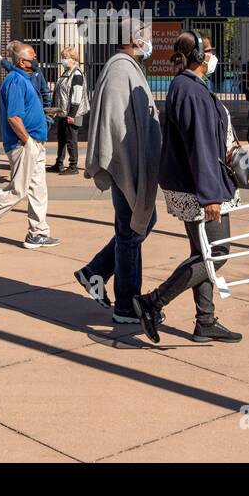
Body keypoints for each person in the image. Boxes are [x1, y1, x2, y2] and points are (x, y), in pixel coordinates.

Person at [132, 32, 243, 345]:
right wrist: (211, 195)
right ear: (196, 56)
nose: (212, 56)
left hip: (193, 186)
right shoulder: (189, 89)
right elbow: (200, 146)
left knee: (202, 254)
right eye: (208, 51)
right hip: (199, 190)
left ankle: (205, 321)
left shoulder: (187, 85)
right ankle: (152, 303)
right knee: (216, 254)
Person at [77, 18, 162, 323]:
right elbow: (113, 124)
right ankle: (126, 304)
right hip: (125, 164)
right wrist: (127, 159)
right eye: (147, 37)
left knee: (138, 225)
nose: (150, 42)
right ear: (134, 38)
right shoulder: (119, 69)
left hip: (133, 162)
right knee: (130, 233)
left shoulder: (127, 66)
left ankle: (95, 272)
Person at [0, 42, 59, 250]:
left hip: (34, 142)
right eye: (32, 57)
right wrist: (27, 141)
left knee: (38, 190)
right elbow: (14, 117)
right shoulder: (15, 81)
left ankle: (38, 233)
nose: (36, 61)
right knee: (18, 190)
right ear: (21, 61)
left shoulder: (26, 79)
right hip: (24, 144)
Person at [49, 46, 87, 175]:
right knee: (61, 139)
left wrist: (72, 114)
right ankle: (58, 163)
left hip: (72, 113)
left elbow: (77, 95)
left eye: (65, 57)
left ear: (74, 59)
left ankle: (73, 166)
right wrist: (55, 108)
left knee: (71, 140)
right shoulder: (65, 73)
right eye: (63, 58)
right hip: (62, 112)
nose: (63, 60)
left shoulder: (76, 74)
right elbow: (58, 92)